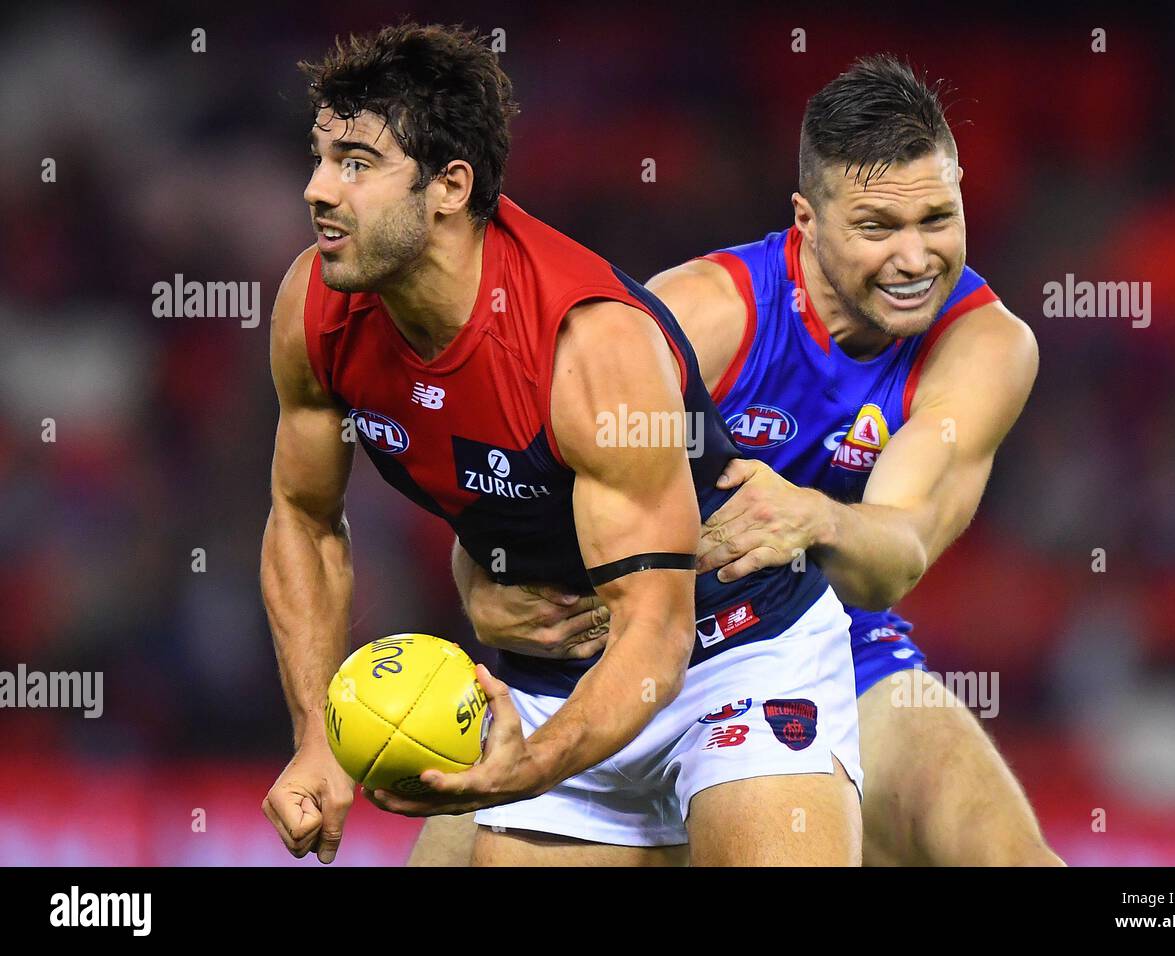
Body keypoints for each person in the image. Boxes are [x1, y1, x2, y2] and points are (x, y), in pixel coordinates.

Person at [411, 55, 1064, 867]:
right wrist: (479, 585)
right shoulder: (699, 315)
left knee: (1008, 859)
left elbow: (894, 557)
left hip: (836, 646)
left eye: (937, 218)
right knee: (446, 855)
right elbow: (515, 479)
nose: (915, 258)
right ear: (807, 219)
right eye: (876, 228)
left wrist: (815, 516)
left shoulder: (986, 344)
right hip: (636, 650)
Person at [260, 22, 864, 867]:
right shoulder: (315, 309)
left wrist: (521, 773)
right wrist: (315, 740)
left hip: (733, 652)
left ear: (449, 187)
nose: (319, 190)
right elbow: (303, 517)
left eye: (357, 165)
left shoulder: (585, 345)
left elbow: (655, 635)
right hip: (549, 676)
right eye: (320, 157)